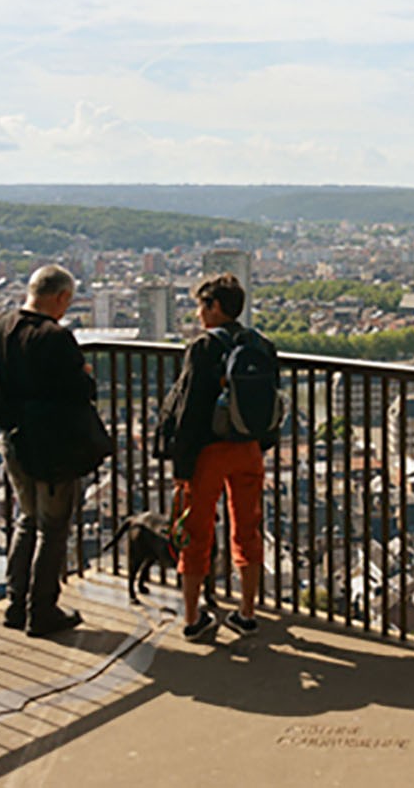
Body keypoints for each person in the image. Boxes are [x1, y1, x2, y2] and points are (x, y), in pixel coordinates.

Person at [0, 264, 91, 638]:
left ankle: (15, 603)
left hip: (11, 440)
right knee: (53, 527)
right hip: (52, 445)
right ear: (60, 298)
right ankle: (42, 610)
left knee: (27, 519)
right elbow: (81, 390)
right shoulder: (53, 338)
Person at [157, 273, 274, 641]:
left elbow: (190, 412)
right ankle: (248, 613)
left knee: (196, 533)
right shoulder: (260, 344)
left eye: (201, 305)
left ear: (215, 306)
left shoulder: (204, 348)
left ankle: (192, 619)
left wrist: (181, 465)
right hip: (249, 449)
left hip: (210, 451)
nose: (197, 314)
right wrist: (259, 443)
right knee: (248, 531)